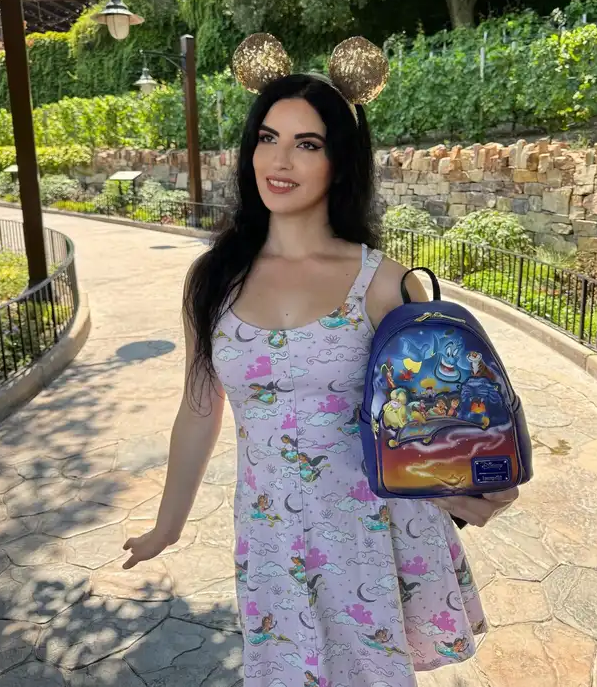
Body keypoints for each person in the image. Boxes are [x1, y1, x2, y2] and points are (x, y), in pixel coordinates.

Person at [122, 34, 519, 686]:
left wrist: (479, 484)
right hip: (271, 536)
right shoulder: (212, 280)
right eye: (268, 138)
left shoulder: (384, 283)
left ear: (340, 160)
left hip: (372, 533)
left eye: (307, 144)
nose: (280, 160)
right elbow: (198, 408)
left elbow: (443, 413)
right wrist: (169, 523)